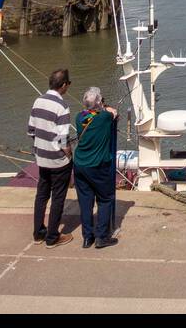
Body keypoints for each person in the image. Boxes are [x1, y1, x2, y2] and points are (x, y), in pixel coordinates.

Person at [27, 68, 75, 247]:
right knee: (58, 197)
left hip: (41, 157)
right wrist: (69, 154)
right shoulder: (62, 107)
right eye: (68, 84)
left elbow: (30, 129)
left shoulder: (38, 101)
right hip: (57, 160)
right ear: (63, 85)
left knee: (41, 195)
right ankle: (53, 236)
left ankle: (38, 233)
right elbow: (63, 139)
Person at [72, 86, 119, 249]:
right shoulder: (104, 117)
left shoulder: (79, 117)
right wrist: (104, 106)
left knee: (85, 201)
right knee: (105, 199)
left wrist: (98, 105)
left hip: (79, 164)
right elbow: (113, 113)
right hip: (98, 166)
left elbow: (91, 113)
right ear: (99, 102)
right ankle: (102, 236)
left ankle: (87, 237)